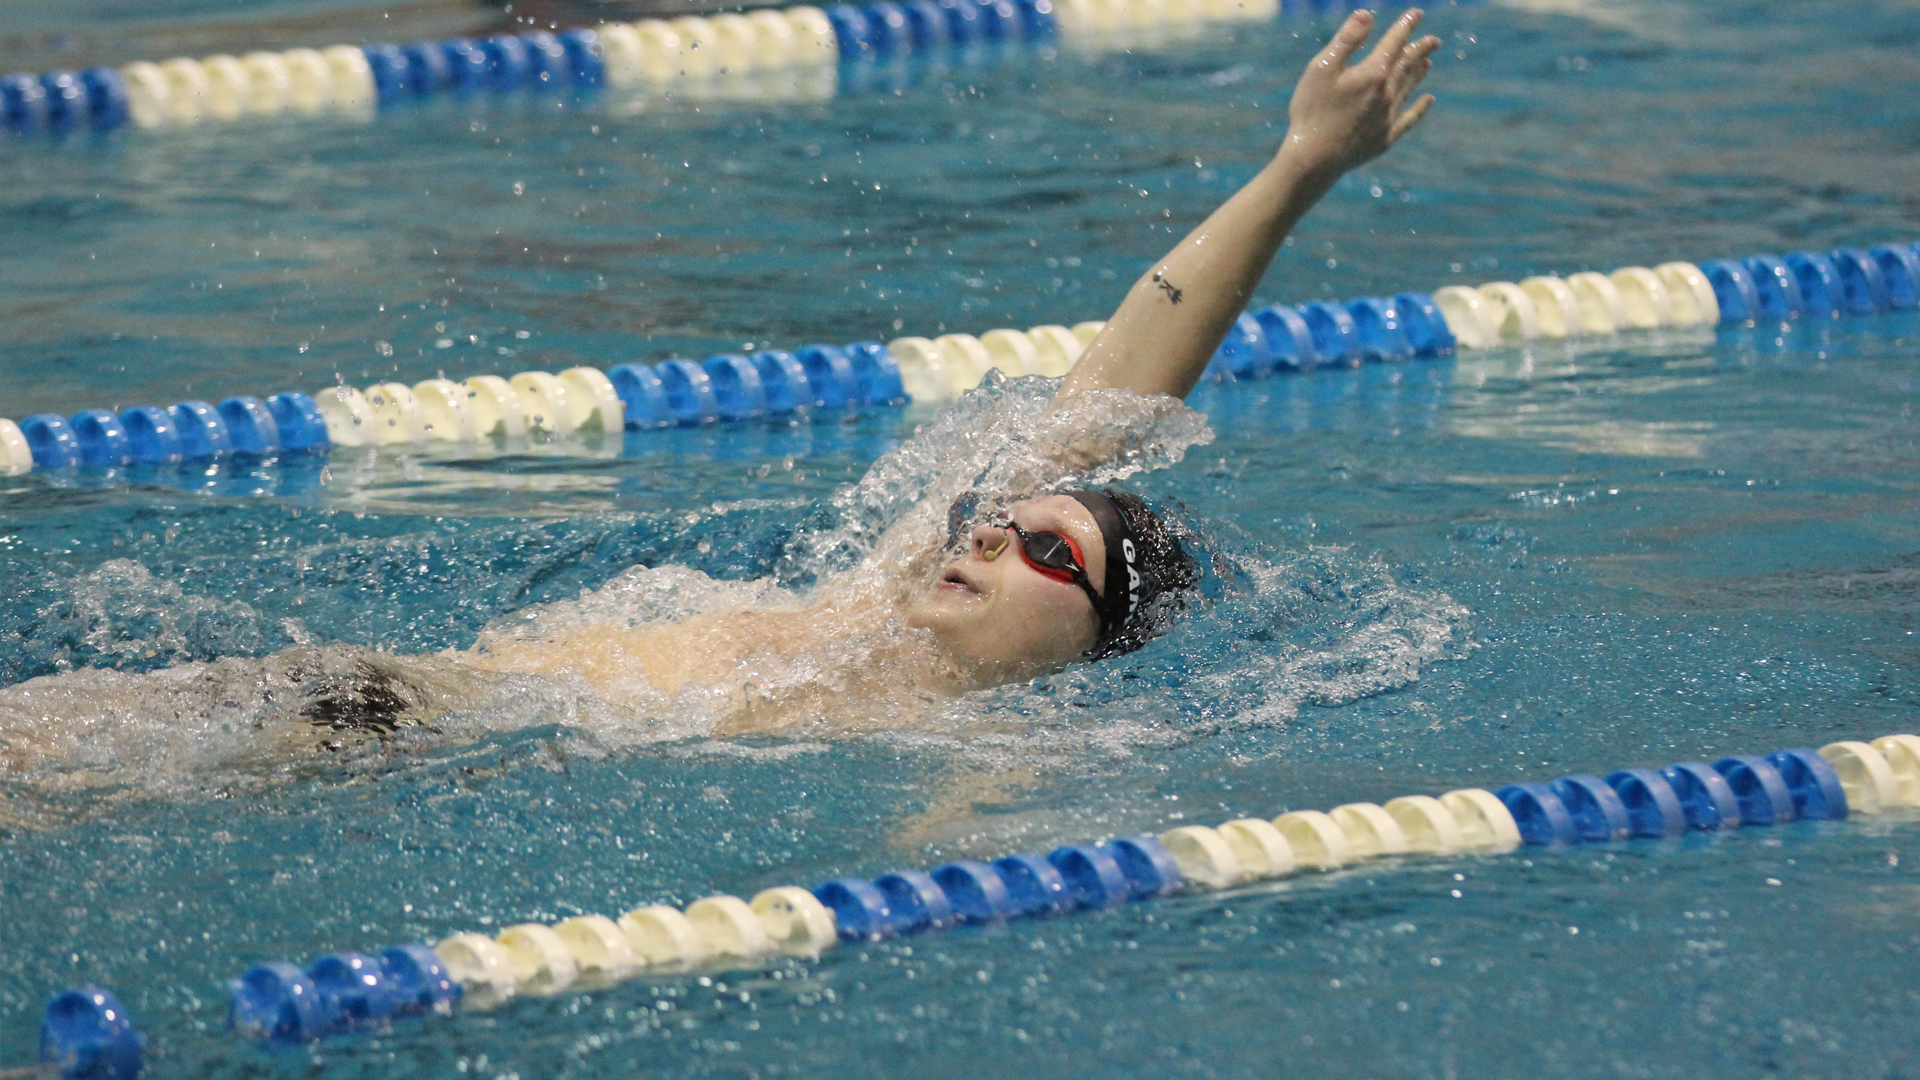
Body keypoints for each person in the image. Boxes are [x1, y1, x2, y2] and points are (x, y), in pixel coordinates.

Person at [0, 10, 1438, 786]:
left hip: (398, 756)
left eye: (1051, 552)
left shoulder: (979, 739)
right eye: (1007, 521)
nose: (996, 536)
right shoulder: (868, 605)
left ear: (1094, 645)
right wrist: (1294, 169)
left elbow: (957, 867)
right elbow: (1112, 397)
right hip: (362, 703)